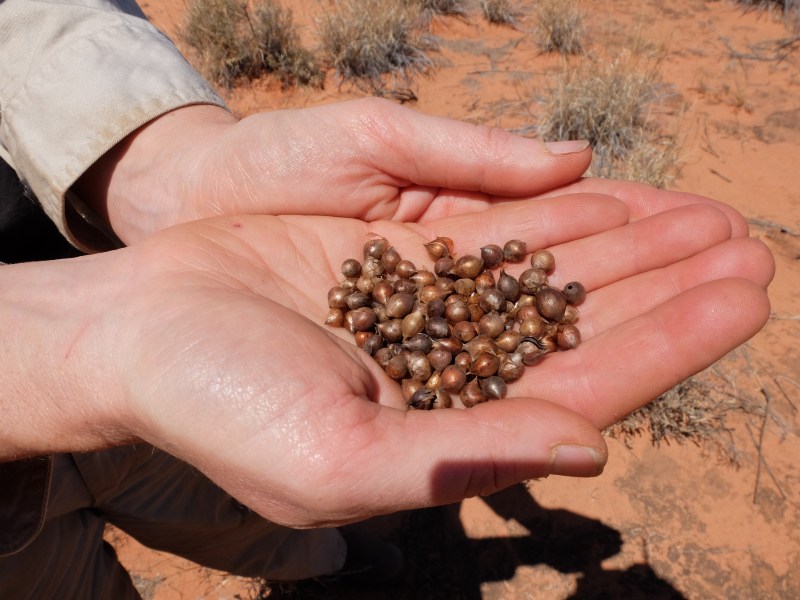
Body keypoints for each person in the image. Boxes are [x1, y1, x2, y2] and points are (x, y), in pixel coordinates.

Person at [0, 0, 775, 598]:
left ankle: (328, 567)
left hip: (128, 299)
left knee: (261, 526)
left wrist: (161, 161)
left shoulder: (420, 306)